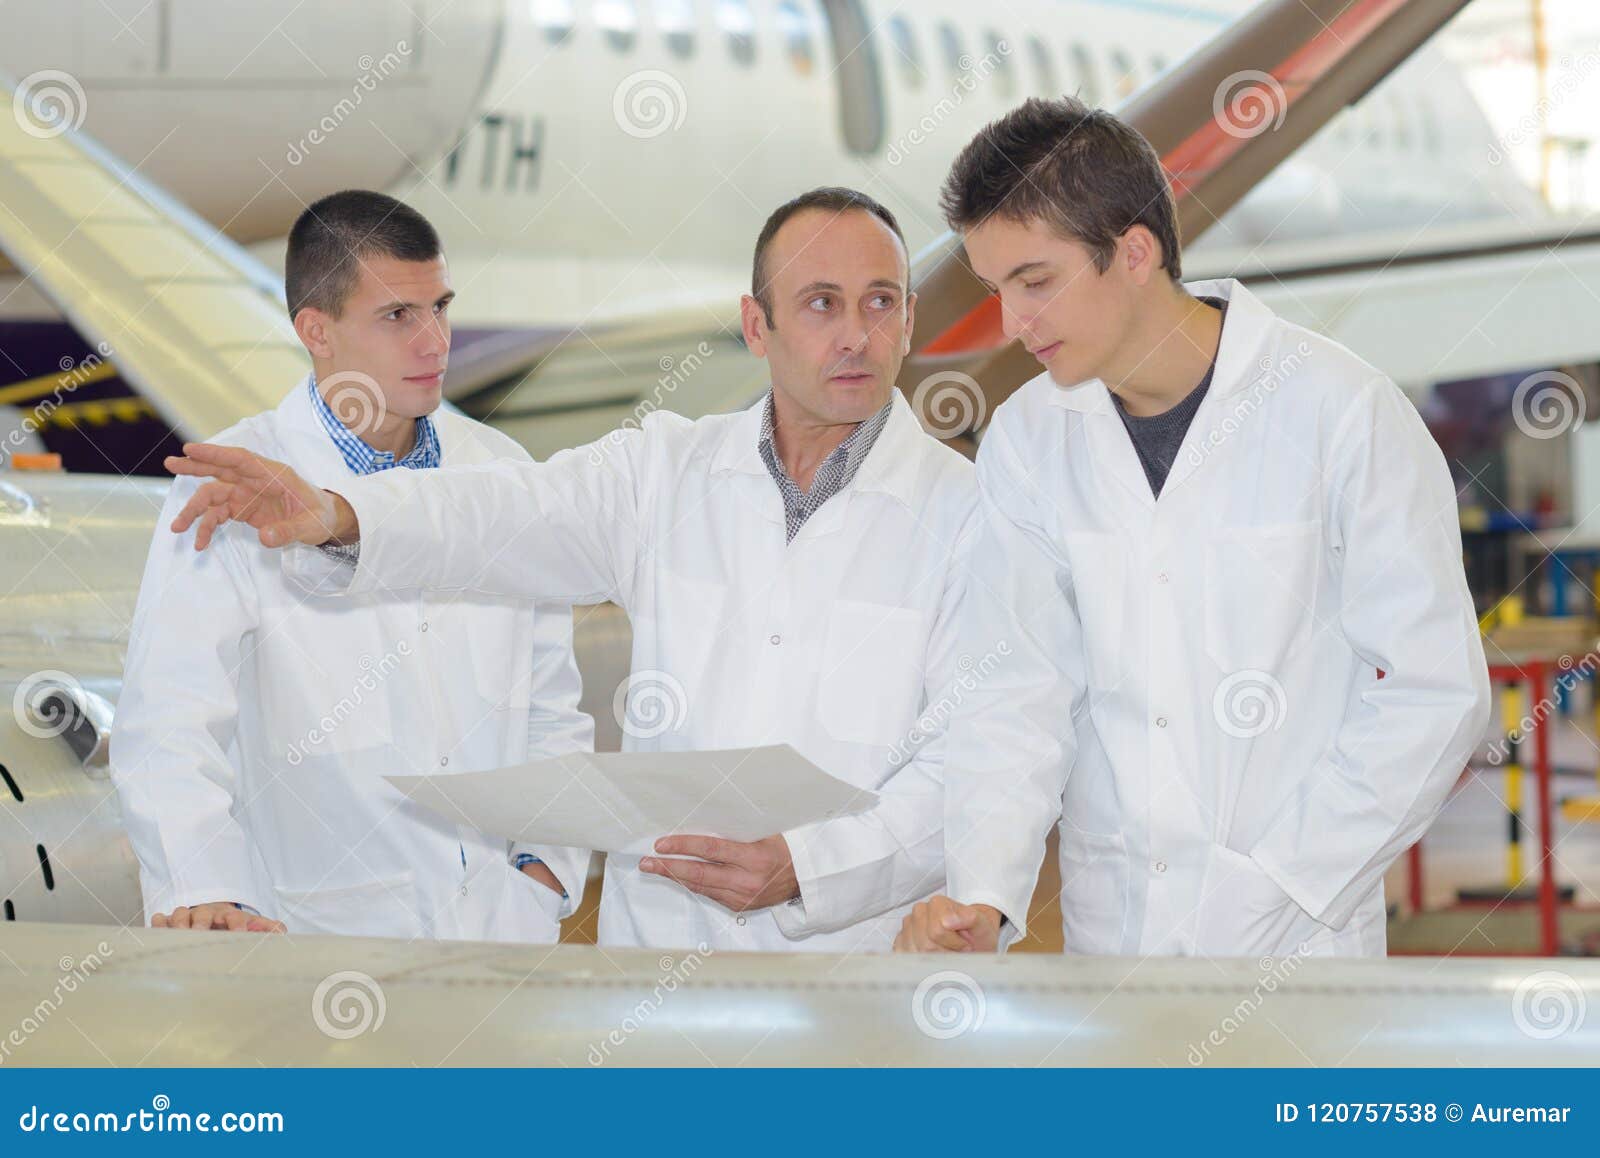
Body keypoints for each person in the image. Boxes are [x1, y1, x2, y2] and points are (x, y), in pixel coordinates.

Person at [160, 187, 979, 953]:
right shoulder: (663, 471)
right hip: (656, 961)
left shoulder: (972, 515)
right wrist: (342, 515)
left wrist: (814, 865)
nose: (855, 336)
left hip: (850, 965)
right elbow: (499, 516)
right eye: (820, 303)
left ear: (910, 319)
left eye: (881, 303)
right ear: (756, 326)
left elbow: (977, 763)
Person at [894, 98, 1490, 958]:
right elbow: (1015, 686)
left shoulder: (1339, 411)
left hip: (1297, 941)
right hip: (1116, 936)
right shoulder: (1029, 437)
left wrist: (1278, 881)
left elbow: (1435, 693)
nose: (1013, 323)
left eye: (1034, 281)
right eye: (997, 291)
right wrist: (984, 889)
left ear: (1135, 252)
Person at [112, 190, 593, 940]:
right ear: (316, 330)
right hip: (314, 931)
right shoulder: (237, 485)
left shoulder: (501, 471)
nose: (436, 342)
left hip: (504, 930)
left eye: (440, 307)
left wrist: (545, 865)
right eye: (399, 316)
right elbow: (168, 716)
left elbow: (552, 703)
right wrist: (206, 887)